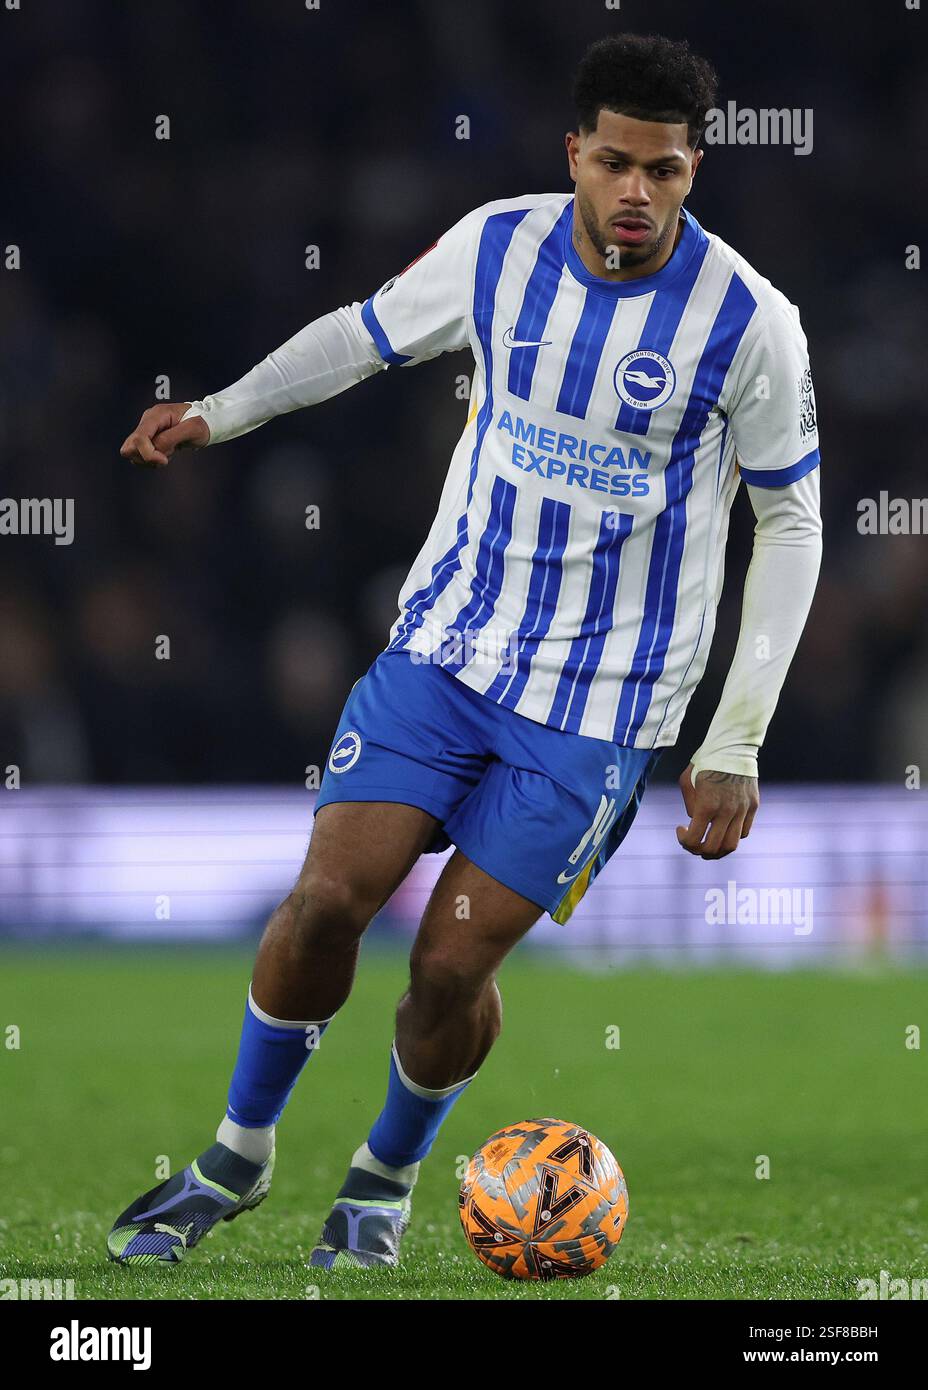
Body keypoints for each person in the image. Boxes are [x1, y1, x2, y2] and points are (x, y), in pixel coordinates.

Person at [109, 32, 822, 1270]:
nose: (636, 194)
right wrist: (220, 407)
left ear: (693, 168)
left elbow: (794, 519)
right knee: (328, 896)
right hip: (446, 647)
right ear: (575, 156)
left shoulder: (751, 323)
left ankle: (379, 1182)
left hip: (598, 707)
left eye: (663, 170)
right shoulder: (499, 246)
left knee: (447, 962)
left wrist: (735, 733)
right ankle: (235, 1156)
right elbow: (359, 333)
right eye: (614, 164)